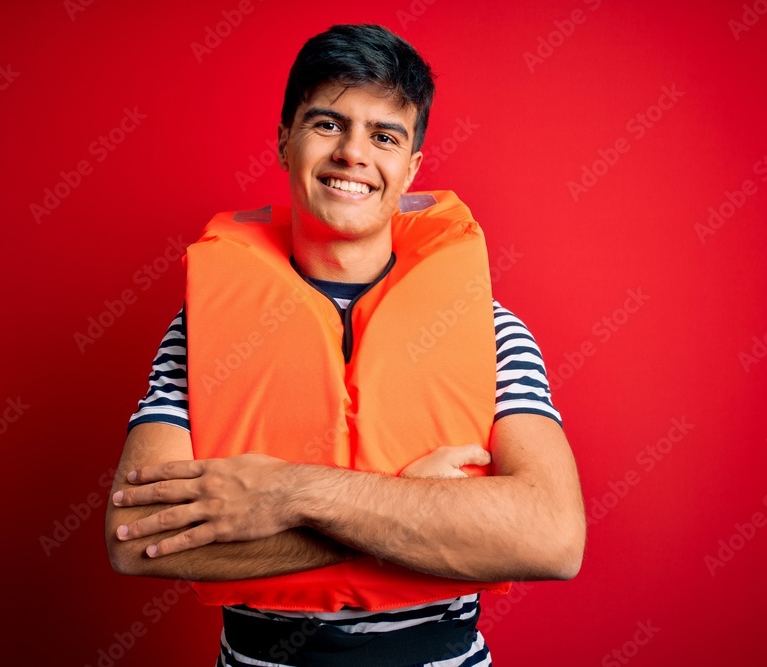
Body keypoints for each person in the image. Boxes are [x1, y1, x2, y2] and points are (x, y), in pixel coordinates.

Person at [105, 23, 585, 666]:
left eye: (384, 136)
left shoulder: (492, 331)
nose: (352, 154)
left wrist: (287, 495)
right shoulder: (201, 331)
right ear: (285, 141)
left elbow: (552, 537)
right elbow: (137, 539)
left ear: (411, 166)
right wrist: (413, 510)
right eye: (327, 124)